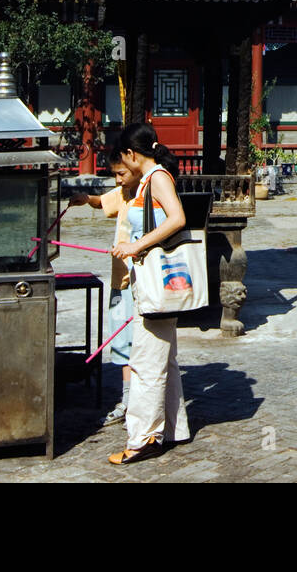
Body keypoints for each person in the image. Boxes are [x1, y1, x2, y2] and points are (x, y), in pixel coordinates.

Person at [108, 122, 190, 465]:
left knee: (145, 362)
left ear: (130, 154)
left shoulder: (156, 177)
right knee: (163, 359)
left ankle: (143, 439)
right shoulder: (147, 180)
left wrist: (135, 246)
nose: (121, 168)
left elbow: (177, 219)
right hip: (151, 283)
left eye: (122, 159)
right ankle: (173, 428)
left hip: (157, 284)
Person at [70, 156, 141, 427]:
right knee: (121, 341)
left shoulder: (150, 194)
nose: (118, 179)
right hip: (120, 276)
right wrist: (86, 198)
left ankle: (141, 402)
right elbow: (105, 201)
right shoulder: (123, 192)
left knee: (139, 342)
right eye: (116, 174)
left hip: (140, 280)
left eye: (122, 173)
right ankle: (127, 401)